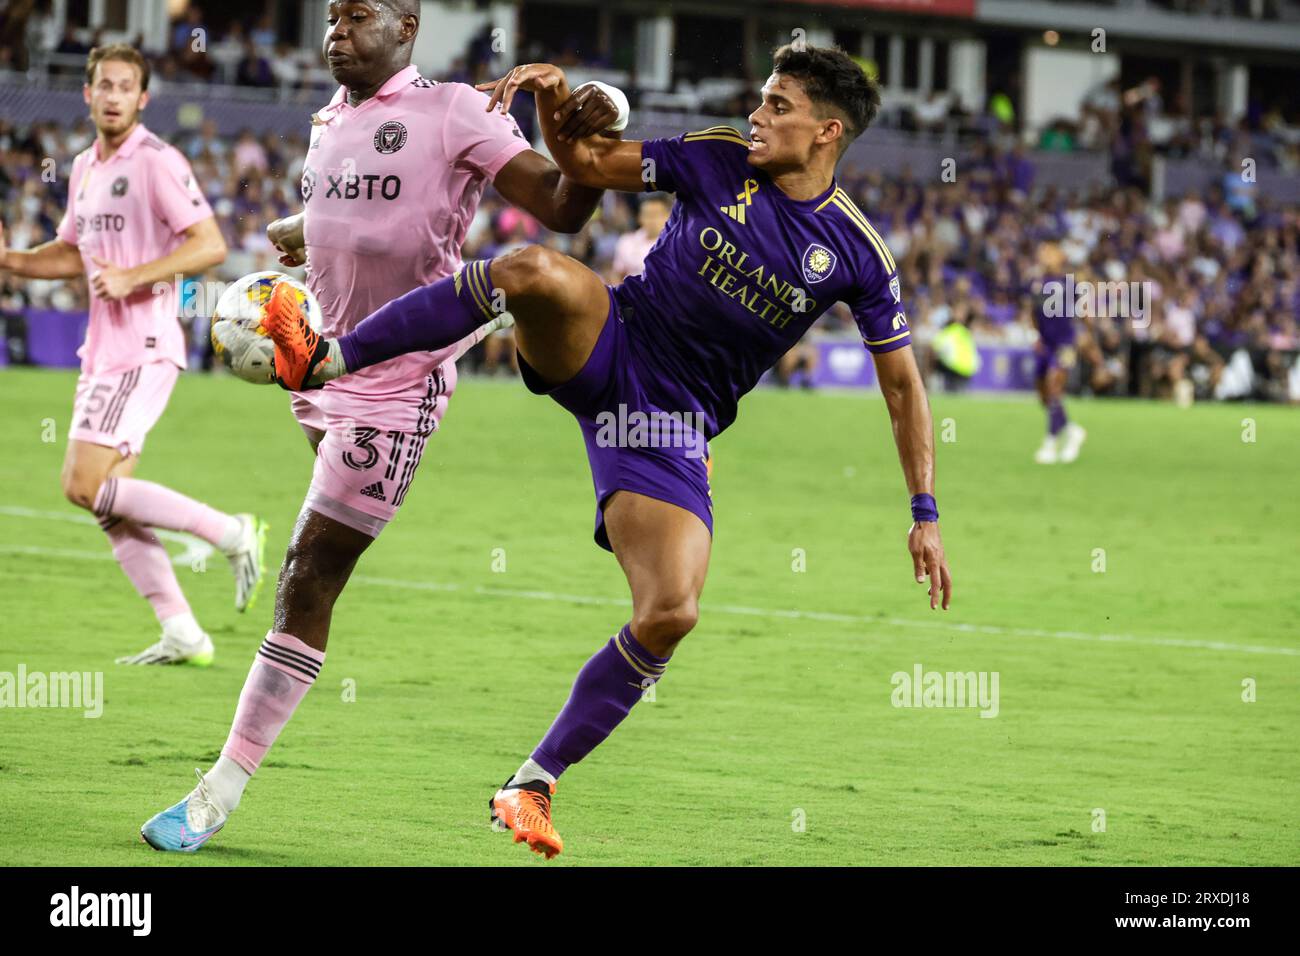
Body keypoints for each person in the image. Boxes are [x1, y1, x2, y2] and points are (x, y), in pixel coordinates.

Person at [252, 44, 954, 860]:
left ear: (828, 131)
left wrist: (924, 513)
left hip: (669, 425)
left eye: (779, 106)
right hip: (610, 336)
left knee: (672, 611)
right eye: (761, 99)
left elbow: (904, 388)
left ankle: (531, 782)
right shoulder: (717, 157)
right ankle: (326, 355)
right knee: (530, 270)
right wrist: (551, 101)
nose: (759, 115)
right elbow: (580, 167)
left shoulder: (858, 254)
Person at [140, 0, 624, 853]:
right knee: (318, 565)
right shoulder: (331, 117)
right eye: (329, 16)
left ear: (406, 26)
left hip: (395, 383)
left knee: (310, 572)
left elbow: (560, 208)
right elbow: (358, 207)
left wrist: (582, 151)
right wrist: (301, 230)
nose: (335, 30)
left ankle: (216, 794)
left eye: (356, 16)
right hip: (312, 369)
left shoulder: (454, 111)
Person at [0, 44, 266, 665]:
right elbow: (72, 252)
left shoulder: (157, 162)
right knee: (109, 498)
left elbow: (208, 244)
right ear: (87, 94)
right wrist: (10, 259)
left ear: (143, 99)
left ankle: (231, 531)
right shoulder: (86, 167)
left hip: (144, 345)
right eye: (104, 85)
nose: (114, 95)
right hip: (105, 349)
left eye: (126, 86)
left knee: (82, 483)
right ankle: (182, 631)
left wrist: (135, 276)